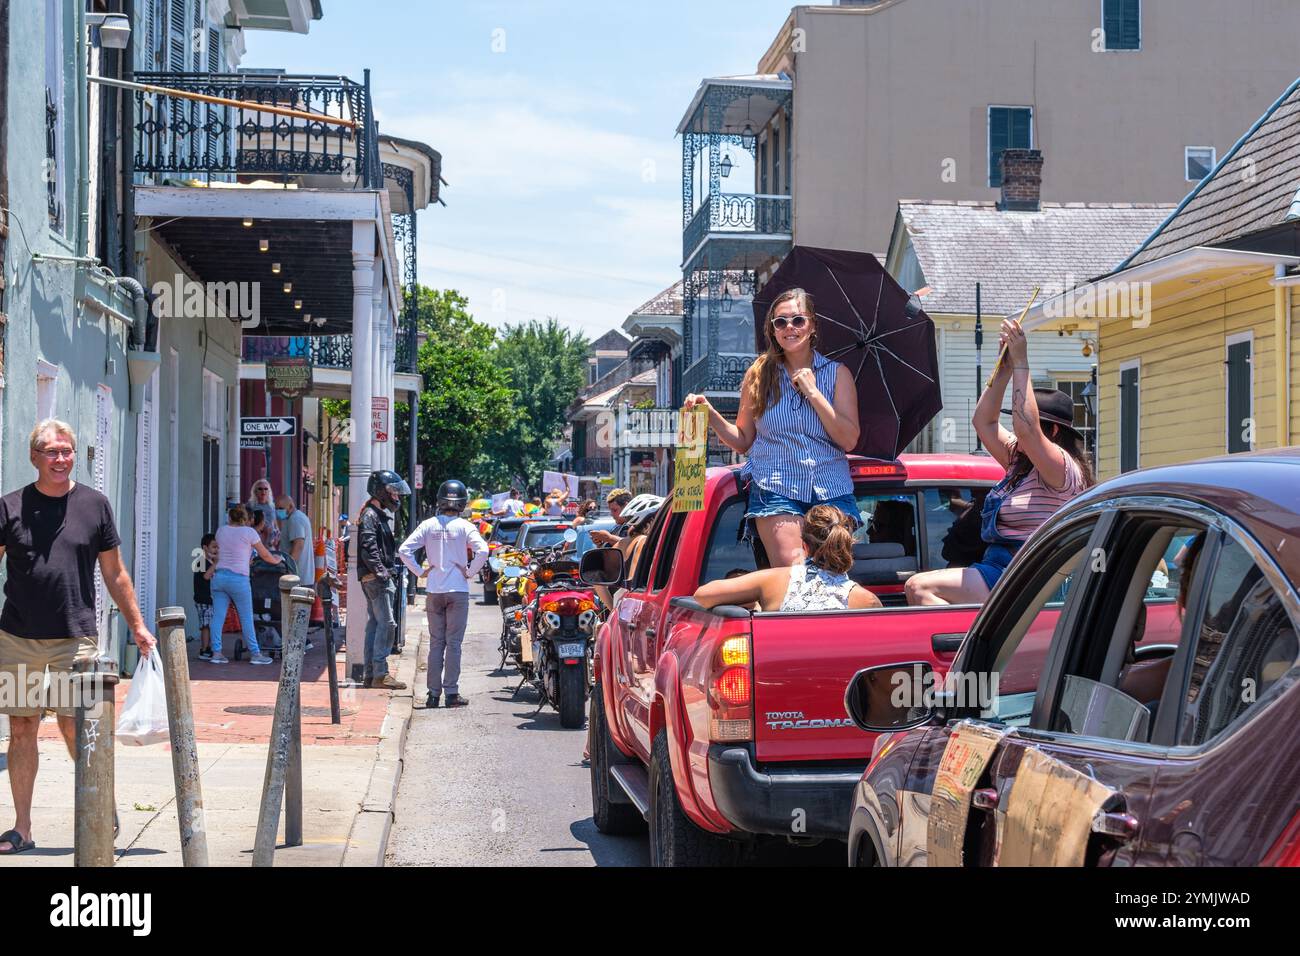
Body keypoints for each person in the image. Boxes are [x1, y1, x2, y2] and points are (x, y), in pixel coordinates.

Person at [0, 420, 158, 855]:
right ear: (34, 457)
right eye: (51, 451)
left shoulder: (95, 505)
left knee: (76, 725)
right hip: (18, 639)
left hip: (77, 640)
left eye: (66, 451)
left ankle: (100, 810)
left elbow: (115, 572)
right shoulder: (9, 507)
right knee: (22, 727)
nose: (60, 458)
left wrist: (138, 625)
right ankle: (22, 828)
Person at [905, 319, 1094, 606]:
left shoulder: (1063, 469)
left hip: (1030, 573)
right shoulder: (1021, 461)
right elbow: (984, 422)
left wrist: (1022, 363)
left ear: (1053, 432)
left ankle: (978, 649)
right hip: (1001, 568)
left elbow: (1027, 429)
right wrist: (1003, 369)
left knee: (921, 588)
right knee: (919, 587)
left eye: (1023, 420)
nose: (1016, 431)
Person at [685, 287, 861, 568]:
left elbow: (849, 439)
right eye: (780, 322)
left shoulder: (837, 374)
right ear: (773, 330)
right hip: (776, 486)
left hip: (831, 487)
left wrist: (813, 393)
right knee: (794, 570)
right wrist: (710, 414)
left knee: (832, 574)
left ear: (812, 325)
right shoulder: (759, 374)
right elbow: (743, 440)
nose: (789, 328)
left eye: (798, 320)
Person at [399, 479, 487, 708]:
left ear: (440, 500)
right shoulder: (465, 526)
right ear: (462, 502)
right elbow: (483, 550)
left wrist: (420, 571)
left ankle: (432, 695)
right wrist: (469, 572)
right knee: (454, 643)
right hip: (457, 590)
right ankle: (451, 693)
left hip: (434, 591)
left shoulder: (429, 525)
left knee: (436, 643)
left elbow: (404, 550)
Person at [694, 505, 881, 612]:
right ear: (848, 546)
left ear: (805, 547)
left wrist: (755, 603)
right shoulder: (867, 601)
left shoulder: (773, 581)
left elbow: (703, 595)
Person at [358, 470, 412, 690]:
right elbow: (368, 547)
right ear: (380, 492)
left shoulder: (374, 514)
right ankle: (380, 672)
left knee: (375, 624)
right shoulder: (370, 515)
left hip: (373, 576)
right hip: (376, 578)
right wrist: (381, 572)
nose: (396, 497)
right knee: (387, 624)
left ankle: (371, 674)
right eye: (393, 492)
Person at [209, 504, 282, 664]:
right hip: (239, 579)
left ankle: (216, 653)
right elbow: (265, 555)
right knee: (246, 618)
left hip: (219, 577)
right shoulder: (249, 532)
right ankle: (256, 654)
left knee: (218, 617)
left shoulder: (221, 531)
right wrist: (277, 561)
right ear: (245, 518)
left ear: (230, 517)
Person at [195, 532, 218, 659]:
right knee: (206, 625)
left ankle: (207, 647)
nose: (216, 550)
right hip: (203, 599)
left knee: (209, 624)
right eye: (214, 547)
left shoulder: (209, 561)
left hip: (209, 599)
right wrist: (216, 563)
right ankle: (204, 649)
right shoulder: (202, 562)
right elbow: (206, 576)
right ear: (205, 548)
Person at [275, 494, 313, 571]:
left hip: (297, 575)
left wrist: (288, 568)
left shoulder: (295, 519)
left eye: (281, 508)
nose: (278, 511)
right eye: (276, 508)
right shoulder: (291, 518)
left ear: (291, 506)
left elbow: (298, 546)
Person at [247, 478, 281, 550]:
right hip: (255, 542)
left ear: (269, 491)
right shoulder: (250, 506)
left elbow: (275, 524)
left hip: (269, 543)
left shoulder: (272, 506)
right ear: (255, 491)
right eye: (260, 489)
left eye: (266, 489)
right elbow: (246, 525)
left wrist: (277, 535)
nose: (263, 491)